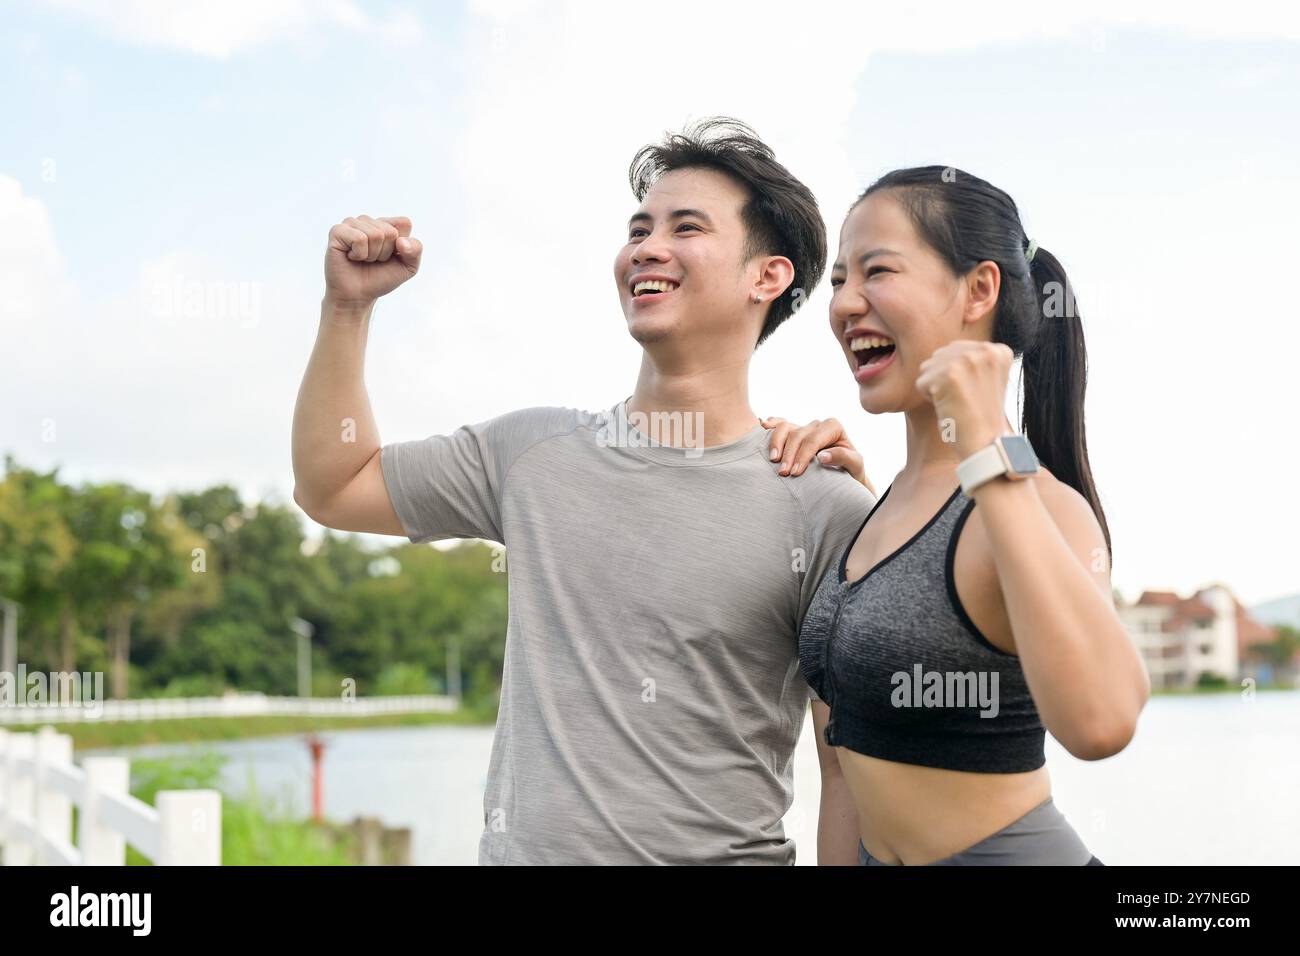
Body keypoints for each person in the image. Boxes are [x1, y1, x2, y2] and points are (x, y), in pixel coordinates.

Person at [290, 118, 875, 864]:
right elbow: (332, 485)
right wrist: (348, 309)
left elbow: (847, 762)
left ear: (768, 276)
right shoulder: (533, 454)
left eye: (685, 227)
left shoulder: (825, 504)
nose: (647, 247)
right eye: (640, 227)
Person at [767, 166, 1149, 865]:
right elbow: (841, 765)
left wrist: (984, 447)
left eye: (877, 271)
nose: (846, 303)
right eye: (838, 282)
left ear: (979, 290)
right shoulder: (877, 511)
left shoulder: (1040, 503)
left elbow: (1103, 722)